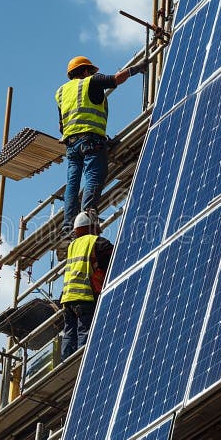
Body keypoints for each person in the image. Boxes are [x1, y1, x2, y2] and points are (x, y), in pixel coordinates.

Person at [56, 55, 147, 237]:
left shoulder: (61, 92)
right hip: (91, 141)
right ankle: (87, 214)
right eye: (90, 70)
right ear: (85, 71)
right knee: (94, 176)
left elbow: (61, 125)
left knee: (72, 184)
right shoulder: (91, 81)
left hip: (71, 144)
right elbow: (116, 79)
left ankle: (68, 224)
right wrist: (137, 68)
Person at [60, 212, 114, 360]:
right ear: (90, 226)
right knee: (84, 331)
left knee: (69, 334)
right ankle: (81, 363)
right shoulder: (95, 242)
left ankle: (65, 363)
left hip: (67, 298)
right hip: (84, 297)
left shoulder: (72, 246)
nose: (99, 229)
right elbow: (115, 257)